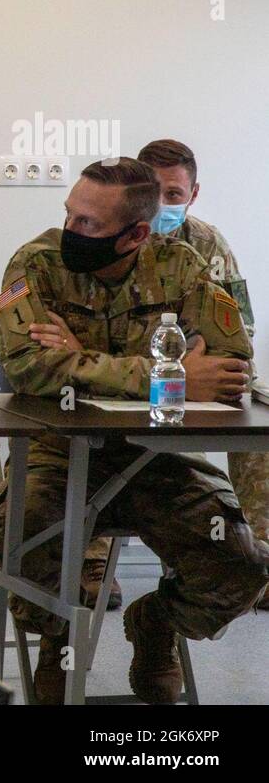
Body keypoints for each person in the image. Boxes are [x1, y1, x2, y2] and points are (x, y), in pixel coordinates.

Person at [0, 157, 268, 704]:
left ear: (136, 234)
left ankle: (155, 623)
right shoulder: (35, 263)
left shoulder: (183, 266)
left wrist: (81, 358)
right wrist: (170, 374)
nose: (71, 230)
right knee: (24, 539)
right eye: (70, 214)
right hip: (59, 453)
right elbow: (25, 365)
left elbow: (233, 364)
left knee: (243, 566)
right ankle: (58, 644)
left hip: (154, 456)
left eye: (89, 224)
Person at [137, 139, 268, 609]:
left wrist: (198, 360)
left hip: (199, 378)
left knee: (259, 427)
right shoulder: (105, 235)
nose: (161, 205)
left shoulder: (210, 245)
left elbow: (242, 326)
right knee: (93, 441)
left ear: (193, 194)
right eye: (151, 192)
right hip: (125, 387)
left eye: (173, 194)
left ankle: (260, 558)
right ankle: (89, 564)